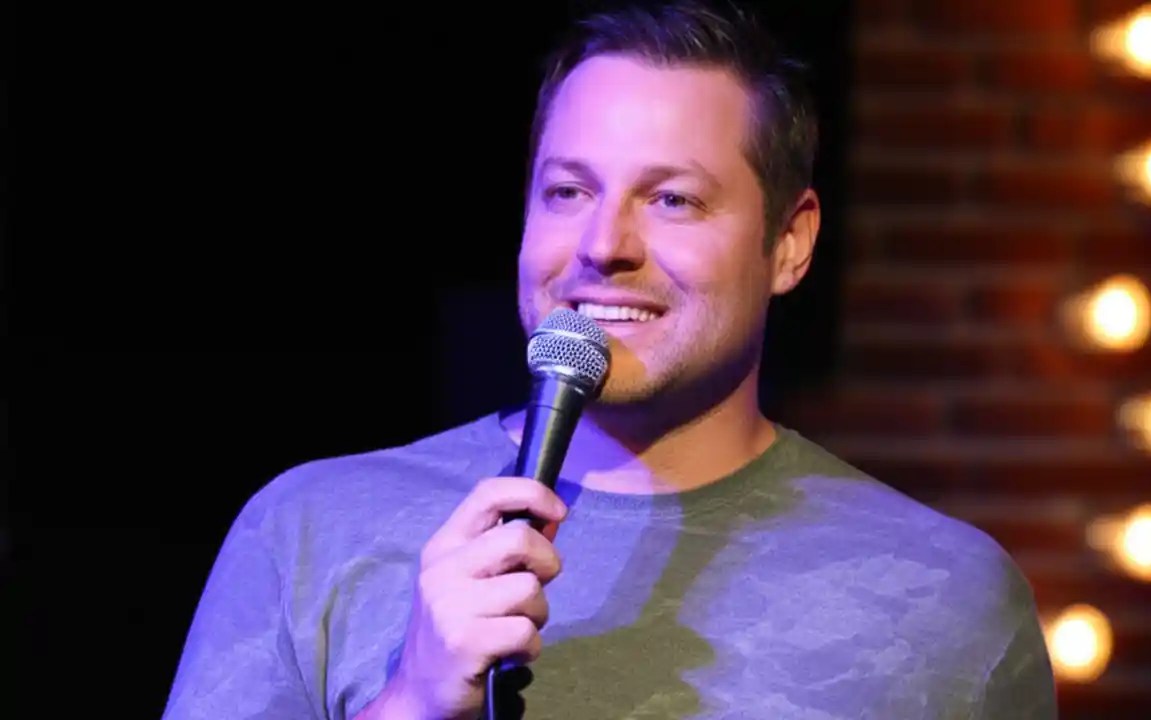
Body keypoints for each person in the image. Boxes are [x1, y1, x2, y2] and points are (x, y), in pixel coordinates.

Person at [162, 1, 1059, 718]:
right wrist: (412, 702)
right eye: (568, 190)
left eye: (671, 199)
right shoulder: (312, 530)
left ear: (790, 243)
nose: (603, 245)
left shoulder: (944, 594)